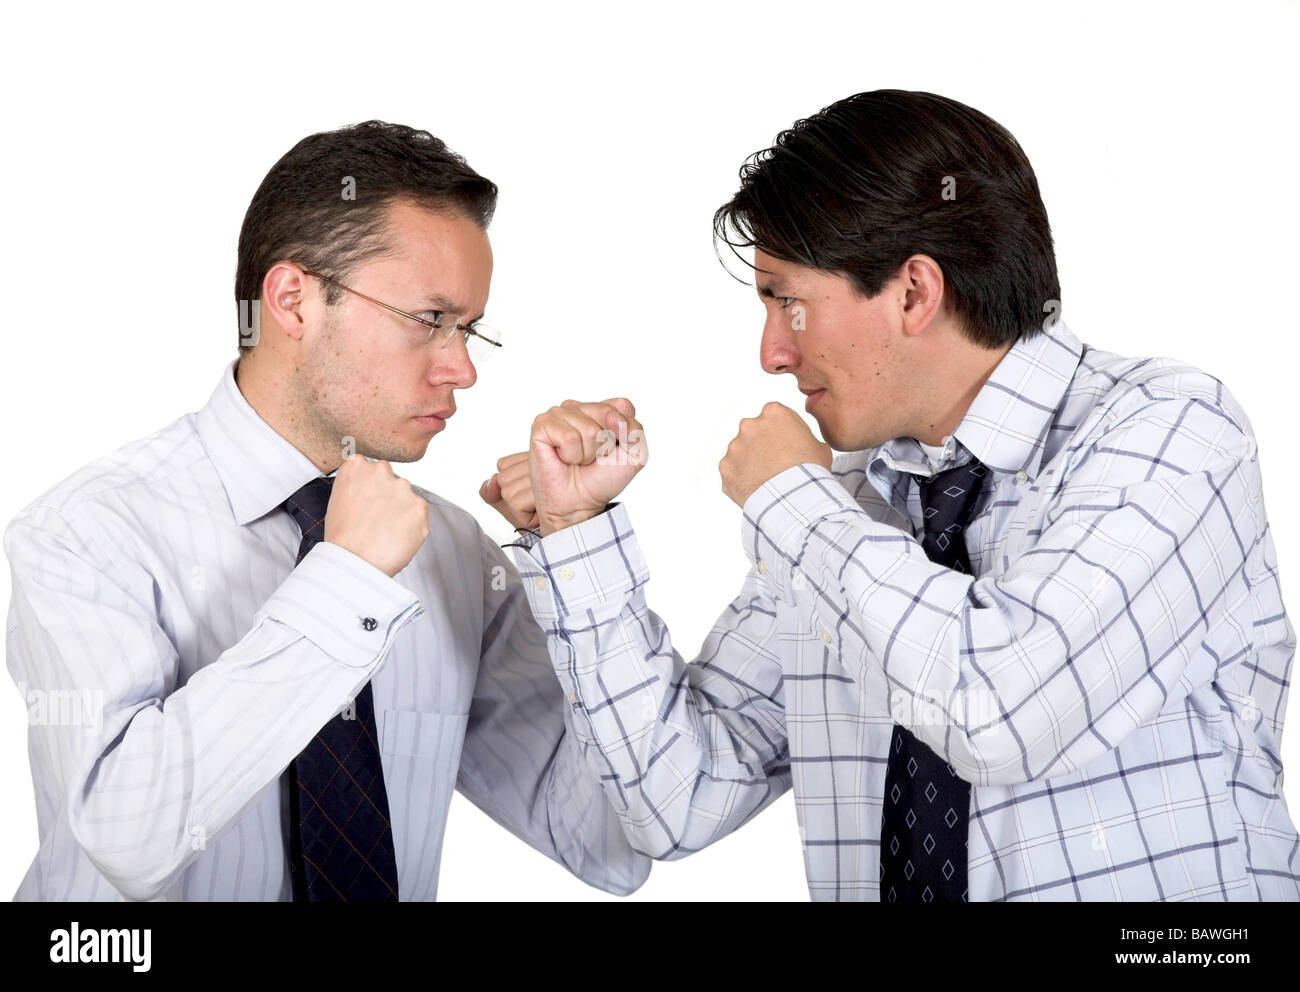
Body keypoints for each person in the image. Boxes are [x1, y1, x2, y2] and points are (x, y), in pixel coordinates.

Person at [481, 90, 1299, 901]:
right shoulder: (844, 507)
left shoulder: (1171, 433)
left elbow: (1001, 714)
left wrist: (794, 503)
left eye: (788, 302)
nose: (771, 353)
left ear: (914, 292)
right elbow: (677, 802)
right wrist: (575, 527)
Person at [4, 121, 649, 901]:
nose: (465, 368)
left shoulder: (455, 556)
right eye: (429, 320)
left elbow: (610, 844)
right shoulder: (87, 532)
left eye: (471, 328)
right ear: (292, 301)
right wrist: (342, 584)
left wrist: (574, 542)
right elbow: (126, 838)